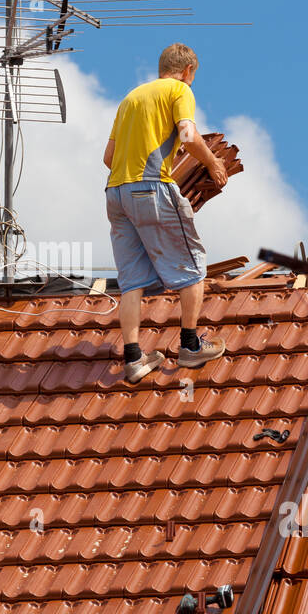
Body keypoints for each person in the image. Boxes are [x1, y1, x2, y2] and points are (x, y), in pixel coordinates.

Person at [103, 43, 228, 383]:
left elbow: (109, 158)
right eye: (193, 77)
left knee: (131, 280)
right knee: (193, 264)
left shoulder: (130, 99)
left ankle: (134, 357)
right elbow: (187, 135)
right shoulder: (178, 90)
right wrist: (212, 162)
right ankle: (189, 346)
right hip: (151, 187)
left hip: (115, 194)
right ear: (187, 71)